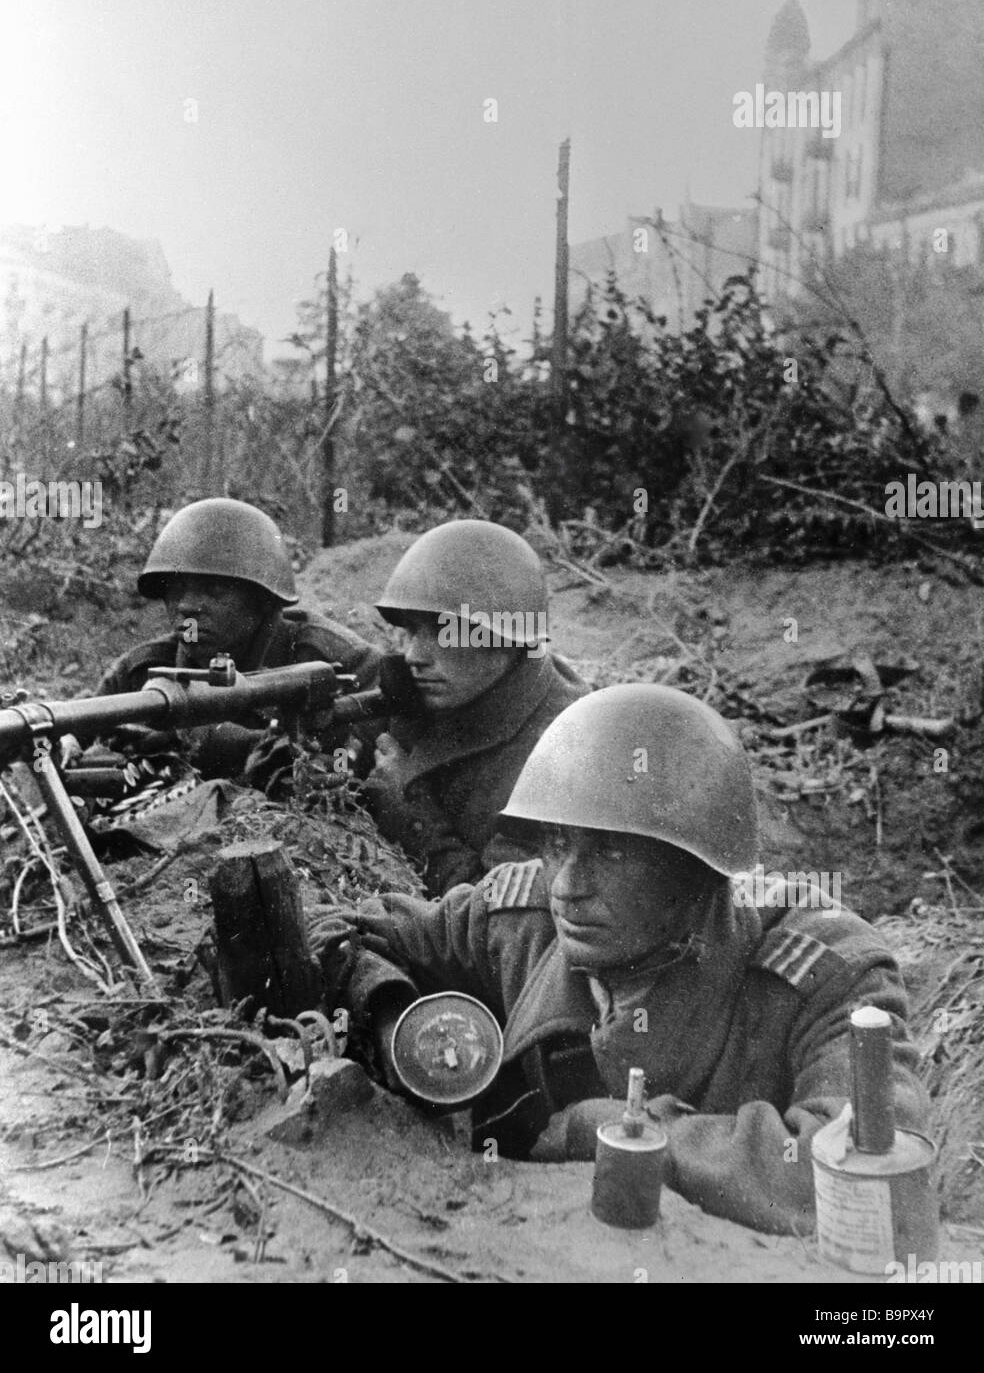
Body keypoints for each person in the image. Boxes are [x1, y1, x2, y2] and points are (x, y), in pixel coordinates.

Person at [318, 684, 930, 1235]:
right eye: (557, 844)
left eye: (610, 855)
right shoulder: (520, 915)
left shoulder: (829, 971)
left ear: (696, 867)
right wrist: (398, 1015)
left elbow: (865, 1168)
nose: (566, 885)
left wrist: (604, 1132)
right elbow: (344, 933)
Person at [362, 519, 588, 895]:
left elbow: (500, 918)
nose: (414, 655)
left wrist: (411, 815)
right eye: (411, 630)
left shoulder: (562, 753)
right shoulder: (429, 686)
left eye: (443, 633)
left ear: (506, 637)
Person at [92, 498, 381, 781]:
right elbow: (70, 734)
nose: (186, 606)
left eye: (214, 590)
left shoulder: (339, 661)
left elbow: (366, 764)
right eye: (176, 589)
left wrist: (210, 743)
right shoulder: (141, 672)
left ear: (263, 599)